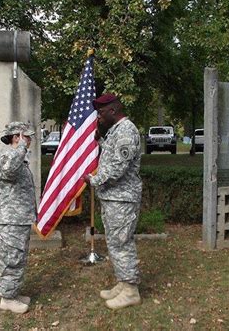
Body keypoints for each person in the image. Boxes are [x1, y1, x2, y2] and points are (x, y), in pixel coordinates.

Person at [83, 93, 143, 310]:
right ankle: (123, 281)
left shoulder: (127, 131)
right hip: (113, 197)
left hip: (122, 198)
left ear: (113, 111)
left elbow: (118, 167)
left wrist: (93, 180)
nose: (98, 117)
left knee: (121, 242)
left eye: (100, 113)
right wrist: (100, 139)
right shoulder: (116, 131)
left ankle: (130, 291)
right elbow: (111, 155)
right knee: (115, 242)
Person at [0, 121, 36, 314]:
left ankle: (13, 292)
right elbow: (9, 172)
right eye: (27, 136)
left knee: (18, 257)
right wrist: (20, 149)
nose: (30, 140)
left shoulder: (17, 157)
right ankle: (7, 299)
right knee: (11, 258)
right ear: (17, 137)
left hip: (18, 218)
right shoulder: (9, 156)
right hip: (10, 220)